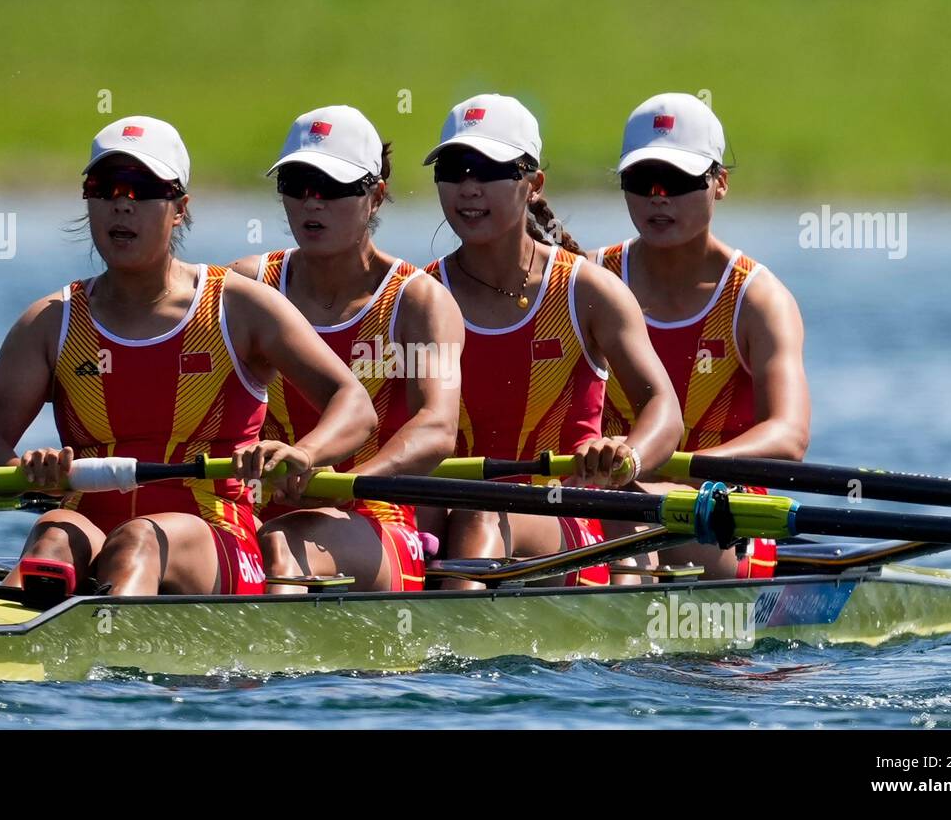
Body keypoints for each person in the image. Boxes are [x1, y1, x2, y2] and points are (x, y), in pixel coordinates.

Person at [0, 115, 376, 596]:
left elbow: (355, 404)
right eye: (105, 187)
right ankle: (3, 642)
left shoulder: (239, 307)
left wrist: (303, 452)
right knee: (52, 534)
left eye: (141, 188)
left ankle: (97, 647)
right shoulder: (49, 322)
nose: (121, 205)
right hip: (88, 524)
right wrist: (29, 474)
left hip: (218, 536)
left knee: (139, 540)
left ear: (179, 208)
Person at [420, 94, 683, 590]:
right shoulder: (420, 296)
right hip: (448, 514)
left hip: (568, 516)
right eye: (454, 169)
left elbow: (663, 410)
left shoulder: (588, 292)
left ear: (532, 183)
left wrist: (627, 453)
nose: (469, 188)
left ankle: (449, 661)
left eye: (490, 169)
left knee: (479, 515)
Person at [231, 105, 464, 593]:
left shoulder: (417, 301)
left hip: (372, 516)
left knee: (279, 543)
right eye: (296, 185)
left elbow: (437, 428)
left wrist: (343, 476)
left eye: (333, 188)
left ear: (375, 196)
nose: (312, 203)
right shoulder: (248, 284)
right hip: (248, 517)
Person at [584, 93, 810, 579]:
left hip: (725, 509)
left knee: (626, 503)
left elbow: (790, 435)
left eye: (680, 181)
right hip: (607, 497)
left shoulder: (759, 300)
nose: (658, 196)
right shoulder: (591, 280)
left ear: (720, 183)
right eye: (641, 181)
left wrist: (676, 463)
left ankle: (614, 635)